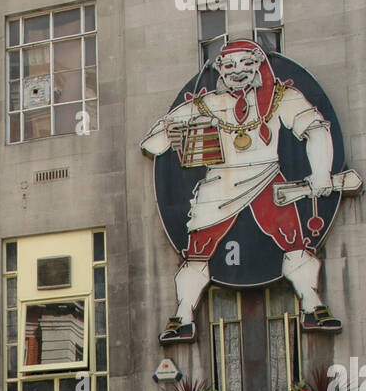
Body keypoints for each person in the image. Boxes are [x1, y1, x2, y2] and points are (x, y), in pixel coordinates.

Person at [141, 39, 351, 343]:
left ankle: (312, 304)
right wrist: (169, 135)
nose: (237, 71)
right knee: (197, 252)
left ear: (257, 65)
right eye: (229, 65)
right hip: (219, 183)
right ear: (220, 71)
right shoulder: (206, 104)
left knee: (294, 243)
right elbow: (151, 143)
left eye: (245, 64)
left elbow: (316, 129)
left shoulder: (281, 98)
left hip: (267, 177)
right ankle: (183, 316)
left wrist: (321, 172)